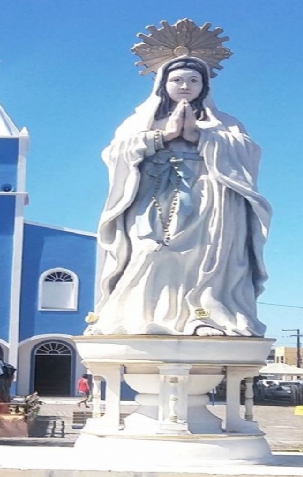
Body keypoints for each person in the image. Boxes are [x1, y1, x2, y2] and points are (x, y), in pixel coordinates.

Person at [85, 55, 271, 337]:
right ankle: (140, 316)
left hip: (210, 201)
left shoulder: (225, 123)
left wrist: (200, 136)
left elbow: (248, 154)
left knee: (206, 259)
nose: (185, 85)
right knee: (150, 252)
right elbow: (115, 154)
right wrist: (163, 136)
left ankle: (203, 316)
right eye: (177, 80)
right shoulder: (141, 121)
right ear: (164, 83)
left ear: (204, 86)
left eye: (194, 80)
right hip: (155, 194)